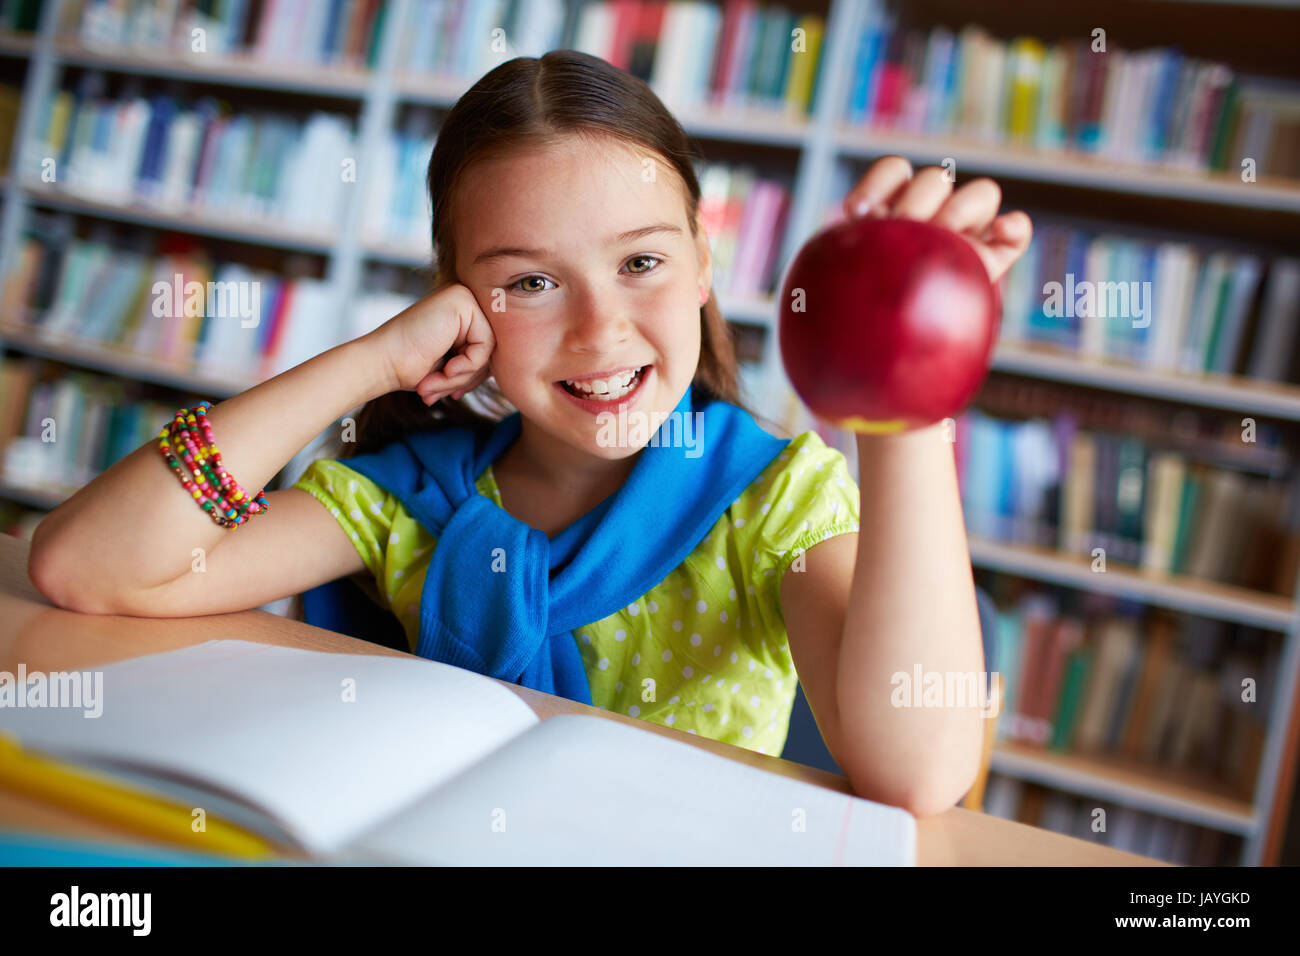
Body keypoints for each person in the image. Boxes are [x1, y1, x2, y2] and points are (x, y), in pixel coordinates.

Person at [28, 50, 1031, 817]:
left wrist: (909, 401)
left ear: (702, 266)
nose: (600, 330)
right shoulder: (409, 497)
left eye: (640, 262)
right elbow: (92, 568)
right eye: (529, 282)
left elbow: (919, 771)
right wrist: (373, 359)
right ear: (461, 301)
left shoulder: (770, 498)